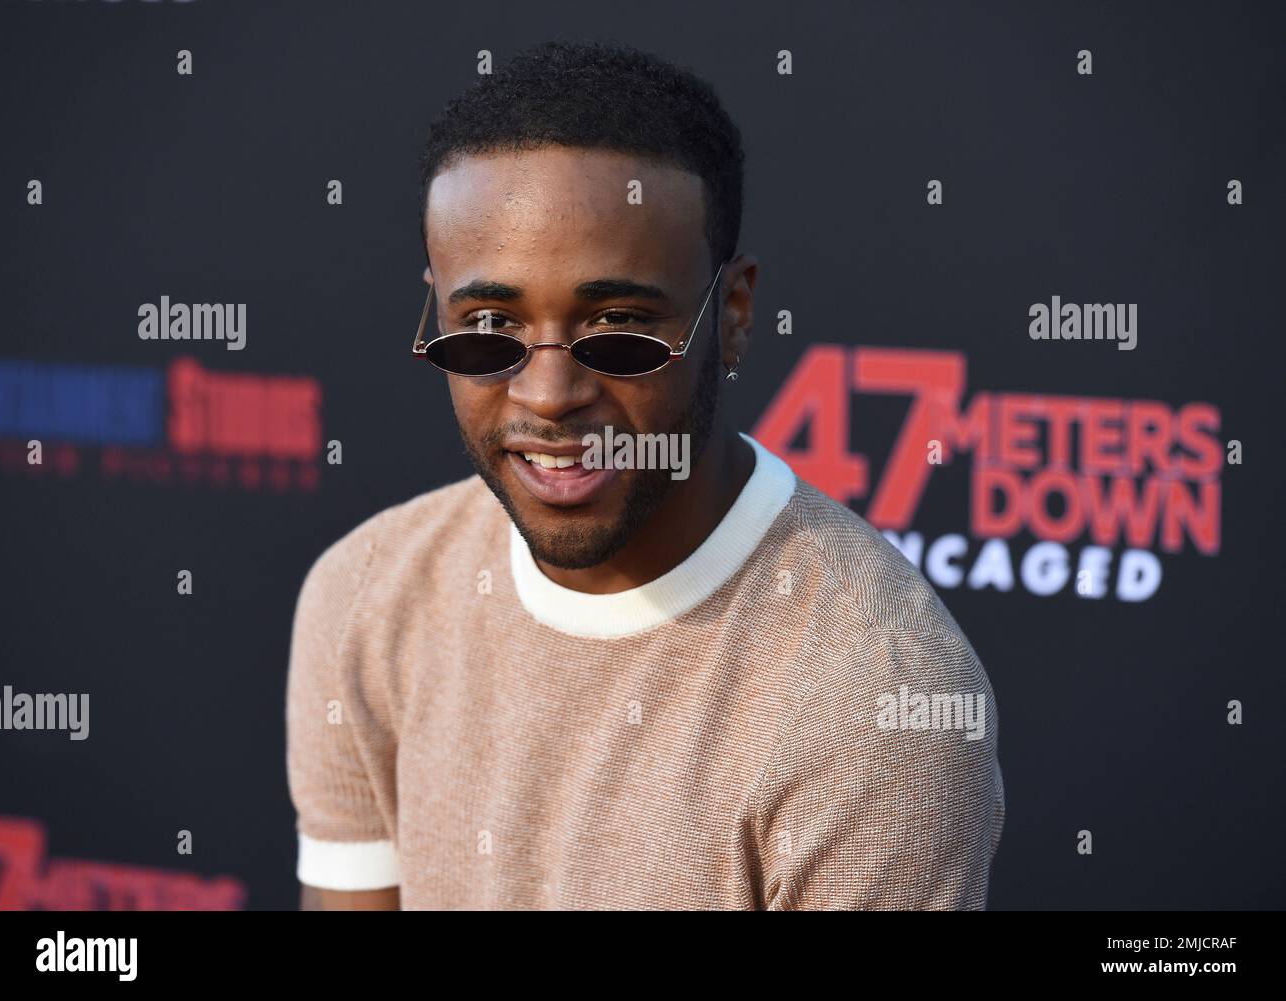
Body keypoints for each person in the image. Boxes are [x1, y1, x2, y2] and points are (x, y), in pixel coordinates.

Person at [287, 39, 1004, 910]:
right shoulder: (364, 595)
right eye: (487, 329)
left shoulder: (878, 697)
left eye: (620, 326)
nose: (549, 394)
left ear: (732, 316)